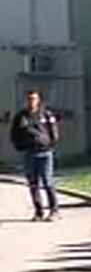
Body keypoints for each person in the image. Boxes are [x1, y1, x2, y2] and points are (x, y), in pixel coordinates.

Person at [10, 89, 61, 221]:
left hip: (45, 152)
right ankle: (38, 212)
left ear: (38, 100)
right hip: (29, 153)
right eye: (29, 99)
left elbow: (54, 131)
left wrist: (50, 143)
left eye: (34, 99)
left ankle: (54, 210)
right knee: (33, 184)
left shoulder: (46, 114)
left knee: (47, 181)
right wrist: (19, 146)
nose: (31, 101)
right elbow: (14, 134)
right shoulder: (21, 117)